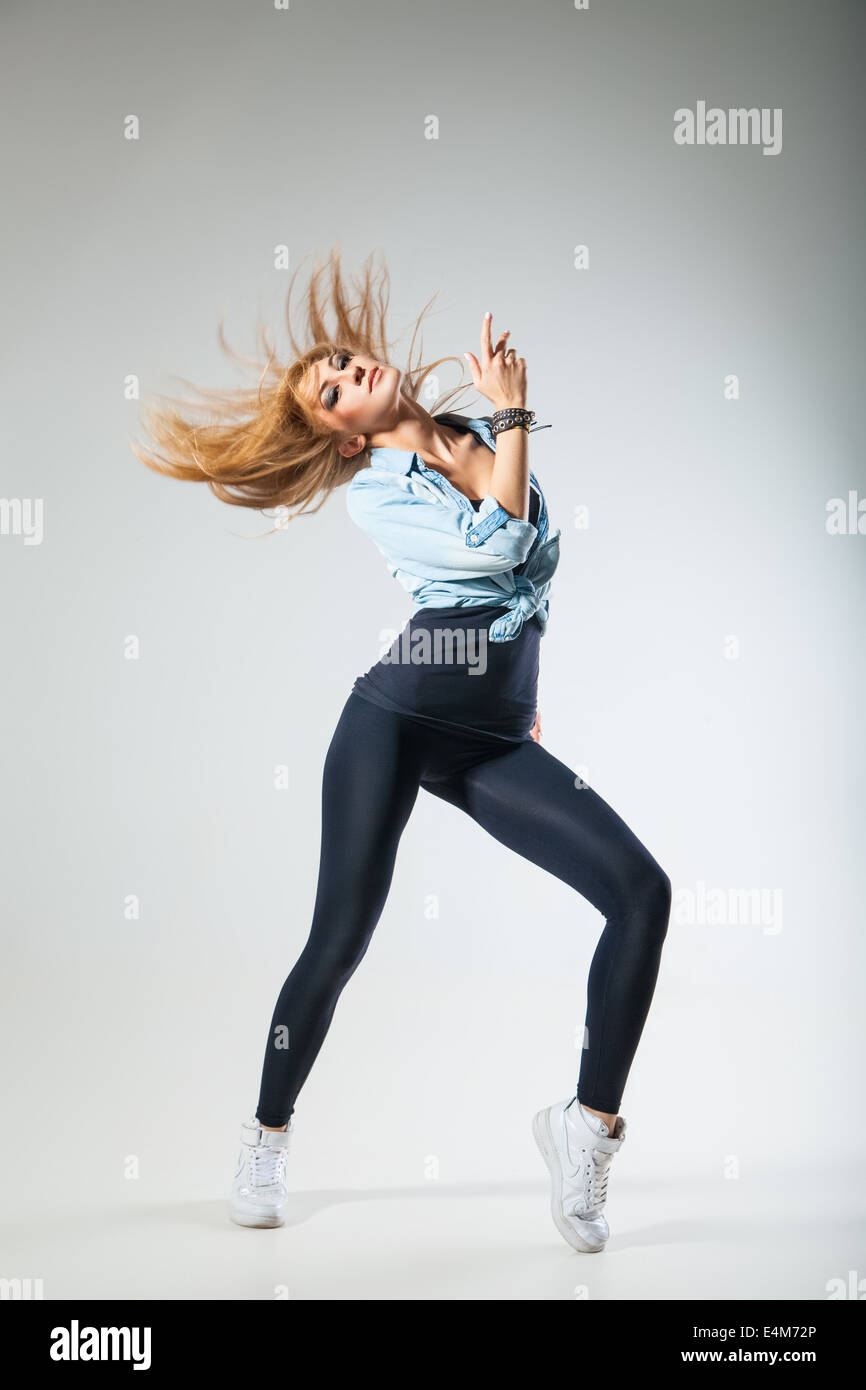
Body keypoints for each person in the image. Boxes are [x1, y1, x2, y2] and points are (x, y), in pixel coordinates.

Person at [132, 247, 672, 1254]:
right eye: (329, 392)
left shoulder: (470, 429)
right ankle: (266, 1133)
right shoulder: (377, 489)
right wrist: (513, 416)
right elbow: (494, 552)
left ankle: (584, 1127)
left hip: (492, 732)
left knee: (641, 891)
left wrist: (525, 700)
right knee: (339, 939)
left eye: (340, 361)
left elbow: (528, 589)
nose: (345, 376)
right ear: (338, 438)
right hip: (393, 717)